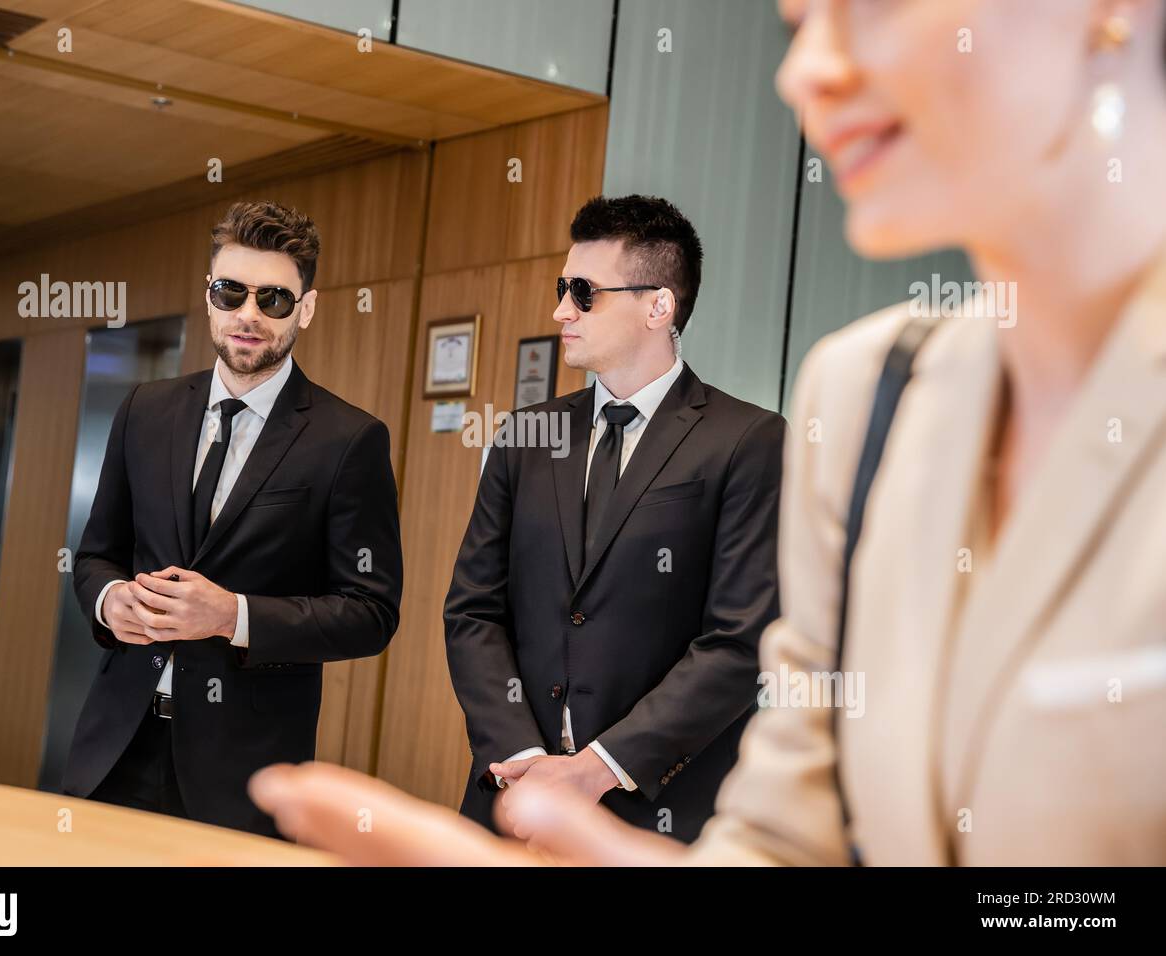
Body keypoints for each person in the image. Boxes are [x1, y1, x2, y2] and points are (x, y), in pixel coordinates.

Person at [250, 0, 1166, 864]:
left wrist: (604, 779)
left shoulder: (753, 436)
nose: (804, 72)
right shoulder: (866, 395)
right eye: (800, 23)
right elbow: (785, 840)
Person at [445, 195, 785, 843]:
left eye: (583, 292)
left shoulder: (749, 440)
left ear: (658, 305)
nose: (560, 311)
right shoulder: (526, 435)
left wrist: (598, 768)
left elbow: (740, 643)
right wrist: (521, 757)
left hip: (661, 810)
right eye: (560, 288)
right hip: (510, 798)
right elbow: (472, 611)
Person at [62, 200, 402, 838]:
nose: (249, 315)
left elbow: (370, 613)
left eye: (274, 299)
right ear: (209, 297)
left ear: (306, 308)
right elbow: (94, 555)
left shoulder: (349, 440)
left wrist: (232, 616)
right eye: (231, 293)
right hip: (113, 748)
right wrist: (110, 601)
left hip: (243, 774)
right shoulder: (145, 409)